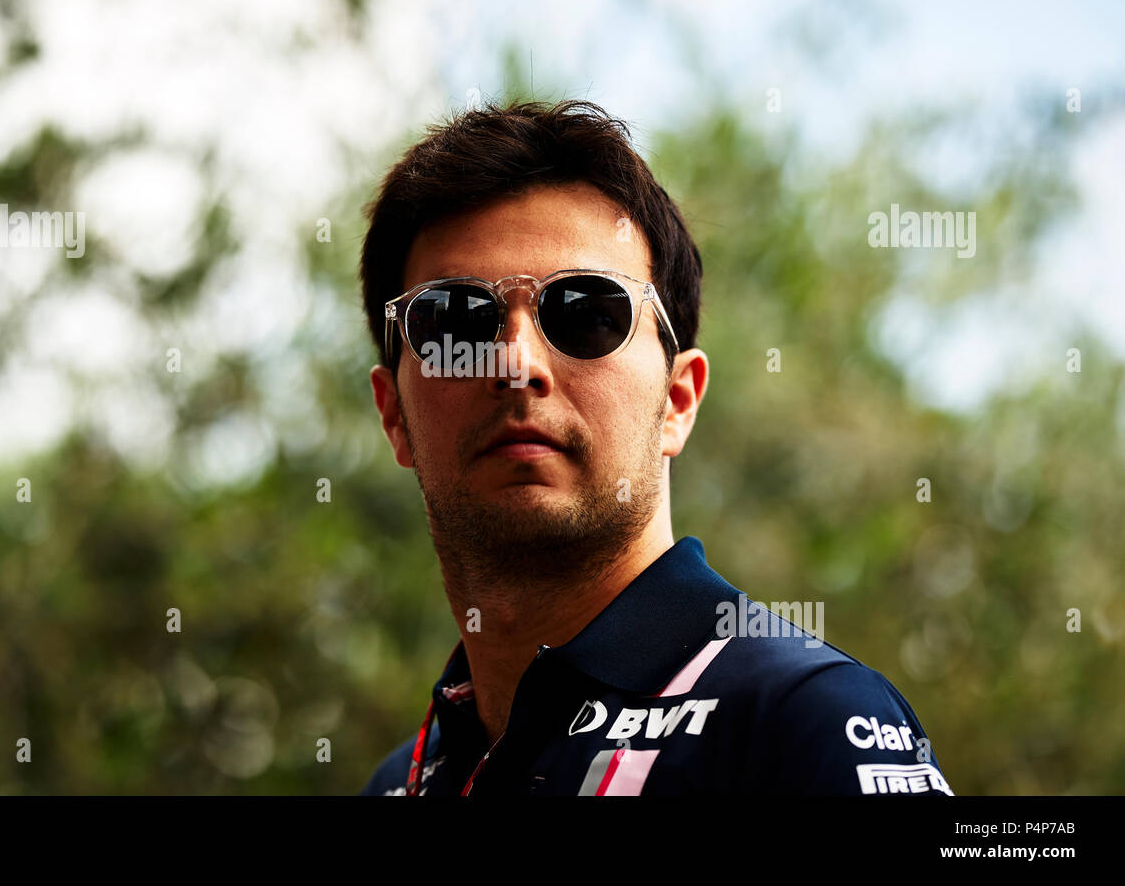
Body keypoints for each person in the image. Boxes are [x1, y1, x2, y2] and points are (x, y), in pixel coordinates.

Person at [356, 99, 952, 796]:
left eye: (585, 313)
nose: (516, 363)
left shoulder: (805, 726)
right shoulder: (401, 782)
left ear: (678, 399)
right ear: (393, 412)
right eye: (455, 321)